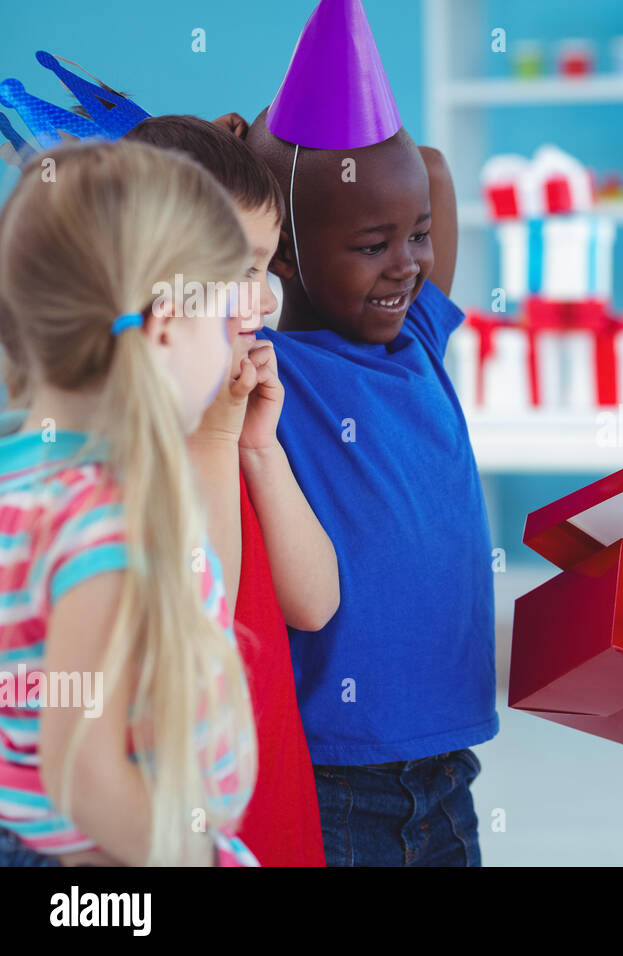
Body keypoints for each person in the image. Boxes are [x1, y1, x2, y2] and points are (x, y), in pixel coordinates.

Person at [238, 0, 493, 865]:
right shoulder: (269, 363)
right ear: (280, 253)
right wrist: (242, 168)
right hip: (339, 778)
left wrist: (378, 184)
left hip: (451, 770)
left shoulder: (416, 335)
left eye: (415, 237)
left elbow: (432, 169)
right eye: (373, 244)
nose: (409, 264)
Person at [0, 139, 259, 865]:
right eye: (220, 315)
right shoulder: (105, 519)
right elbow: (83, 770)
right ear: (169, 325)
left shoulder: (23, 476)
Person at [123, 115, 339, 866]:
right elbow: (201, 633)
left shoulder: (229, 421)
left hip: (273, 806)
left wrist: (256, 448)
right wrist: (215, 442)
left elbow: (313, 603)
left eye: (265, 266)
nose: (263, 301)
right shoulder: (131, 447)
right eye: (235, 272)